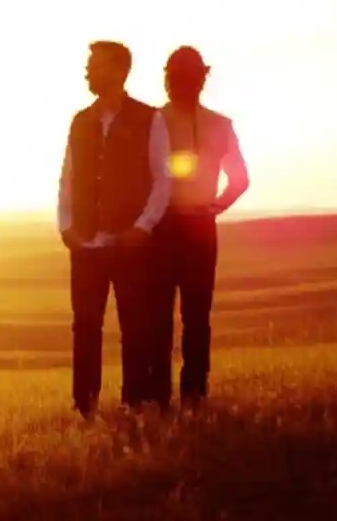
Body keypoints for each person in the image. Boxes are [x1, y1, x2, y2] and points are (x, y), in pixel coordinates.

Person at [58, 40, 173, 419]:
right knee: (85, 327)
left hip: (129, 244)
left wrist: (143, 228)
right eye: (89, 65)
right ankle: (84, 407)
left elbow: (163, 178)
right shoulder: (80, 121)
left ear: (120, 70)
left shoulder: (149, 118)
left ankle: (135, 404)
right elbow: (68, 179)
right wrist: (67, 227)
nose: (88, 71)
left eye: (96, 65)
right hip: (86, 243)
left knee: (134, 327)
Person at [149, 46, 249, 410]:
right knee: (186, 314)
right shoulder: (211, 124)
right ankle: (186, 395)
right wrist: (217, 205)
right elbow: (240, 179)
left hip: (178, 225)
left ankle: (173, 397)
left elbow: (240, 179)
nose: (177, 84)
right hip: (182, 225)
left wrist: (216, 206)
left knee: (179, 314)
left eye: (179, 77)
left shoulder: (154, 121)